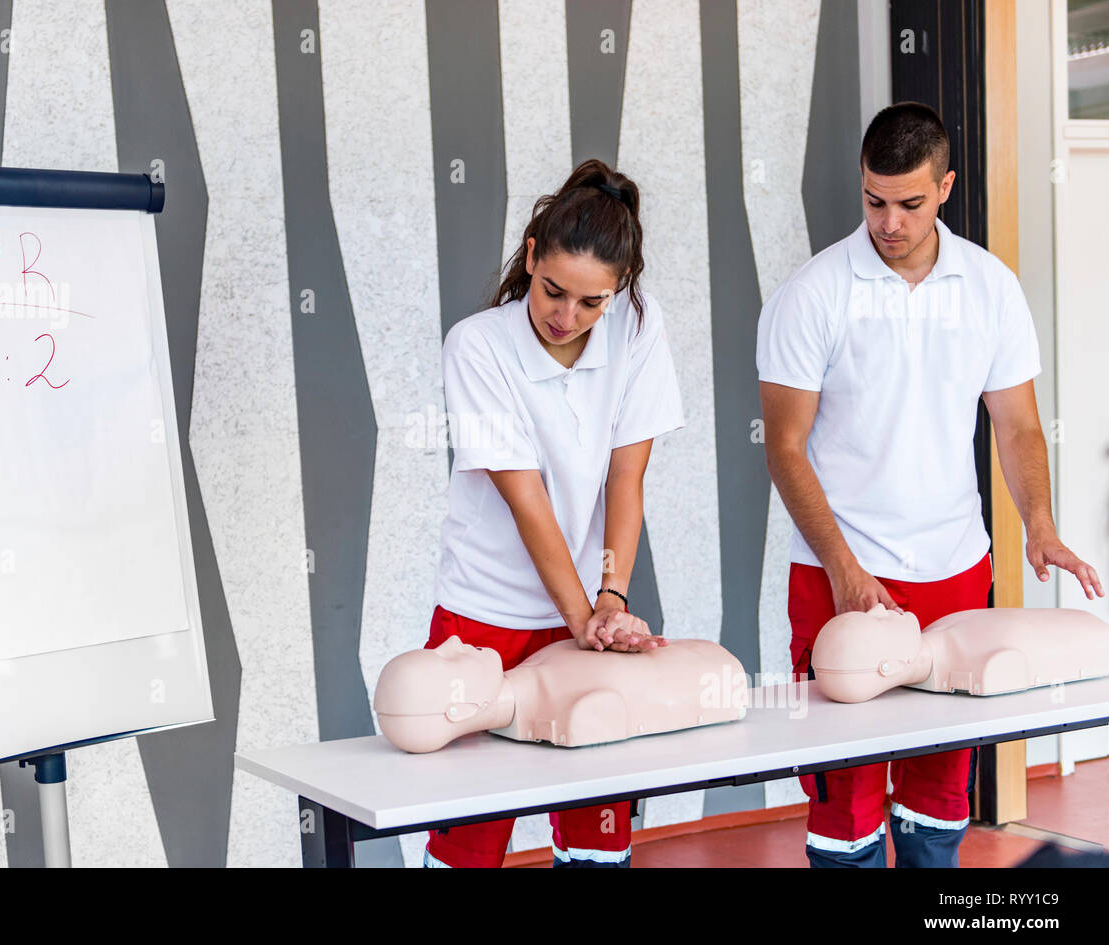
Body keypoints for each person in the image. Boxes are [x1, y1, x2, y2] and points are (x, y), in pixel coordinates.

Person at [756, 101, 1102, 868]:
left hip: (954, 569)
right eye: (875, 200)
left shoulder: (990, 286)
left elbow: (1016, 425)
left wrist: (1037, 524)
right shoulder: (812, 295)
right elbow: (784, 448)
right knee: (842, 797)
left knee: (939, 795)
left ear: (945, 186)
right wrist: (846, 571)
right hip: (837, 571)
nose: (889, 222)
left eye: (910, 203)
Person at [423, 158, 685, 868]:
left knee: (598, 834)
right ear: (532, 255)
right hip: (484, 616)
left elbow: (625, 479)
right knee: (469, 835)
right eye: (553, 291)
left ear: (620, 290)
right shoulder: (477, 346)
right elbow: (527, 498)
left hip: (584, 609)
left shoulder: (637, 324)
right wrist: (587, 623)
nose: (567, 316)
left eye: (591, 302)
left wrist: (611, 597)